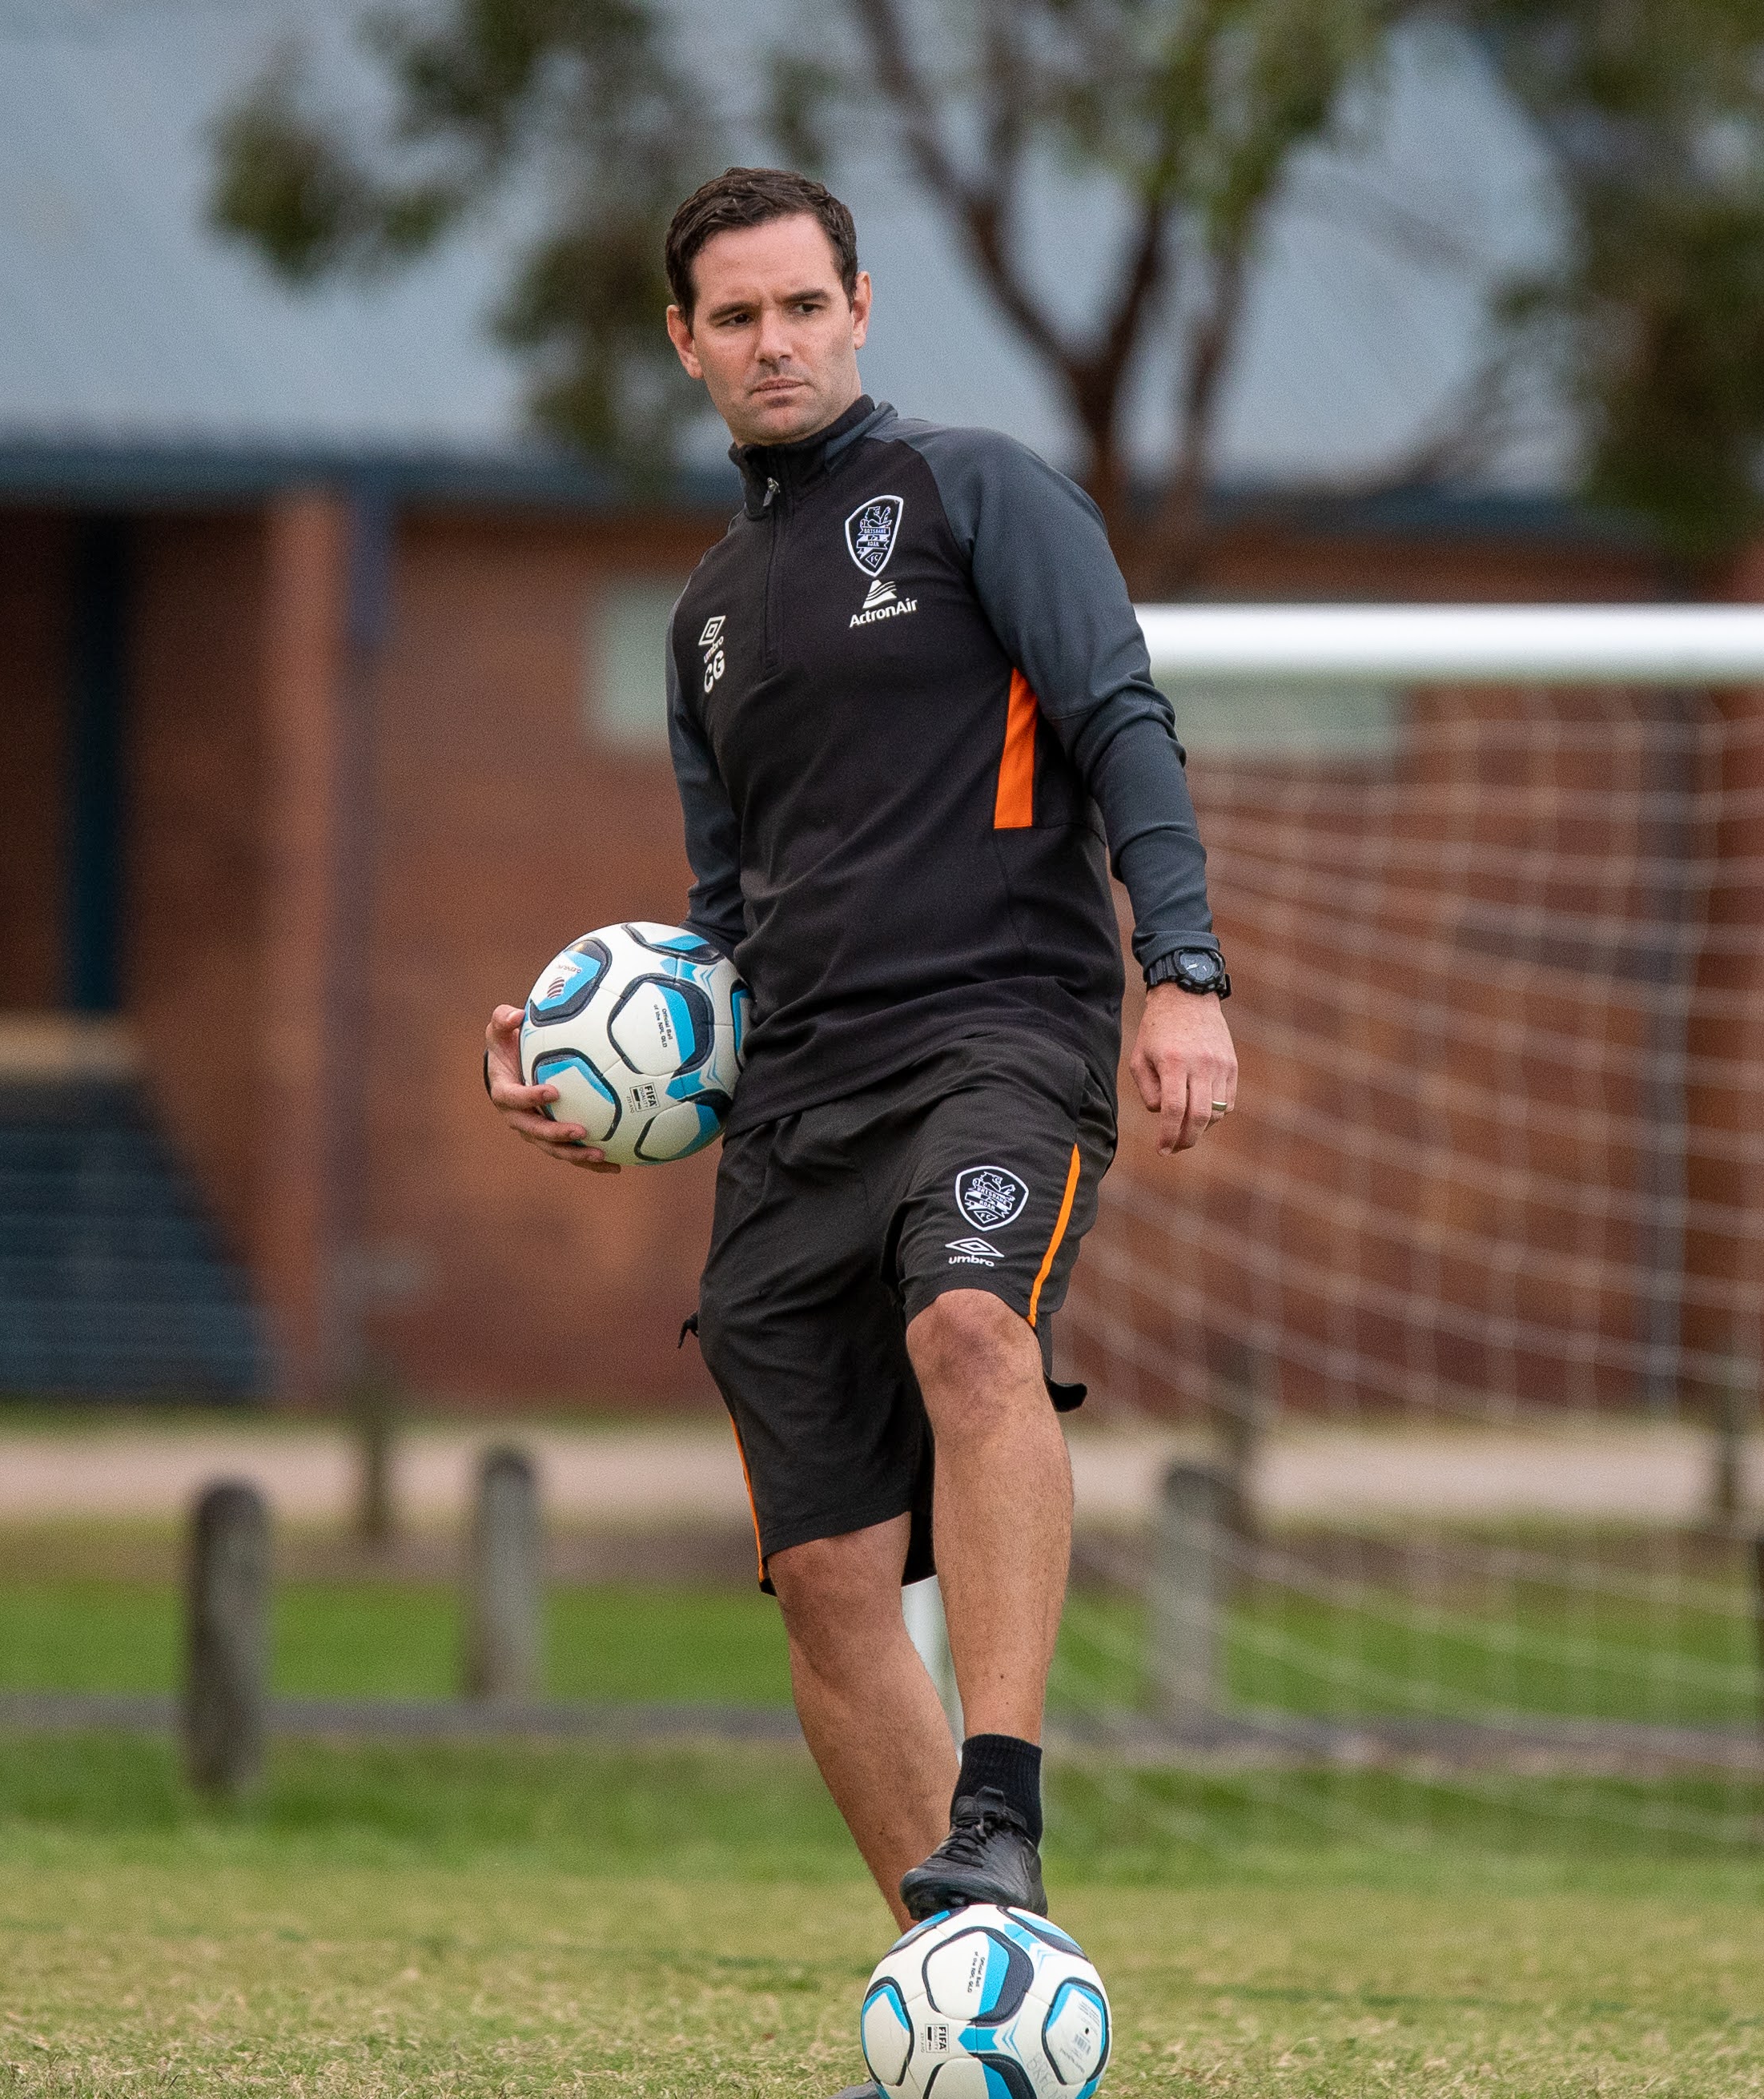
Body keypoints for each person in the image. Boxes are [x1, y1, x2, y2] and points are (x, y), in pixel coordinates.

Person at [481, 163, 1234, 1976]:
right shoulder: (706, 620)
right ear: (686, 344)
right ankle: (978, 1989)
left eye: (801, 305)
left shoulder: (978, 494)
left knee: (973, 1330)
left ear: (860, 307)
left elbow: (1125, 718)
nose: (772, 341)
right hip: (797, 1110)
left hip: (1001, 1035)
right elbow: (727, 924)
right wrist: (610, 1090)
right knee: (827, 1586)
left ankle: (1005, 1799)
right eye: (733, 317)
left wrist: (1184, 972)